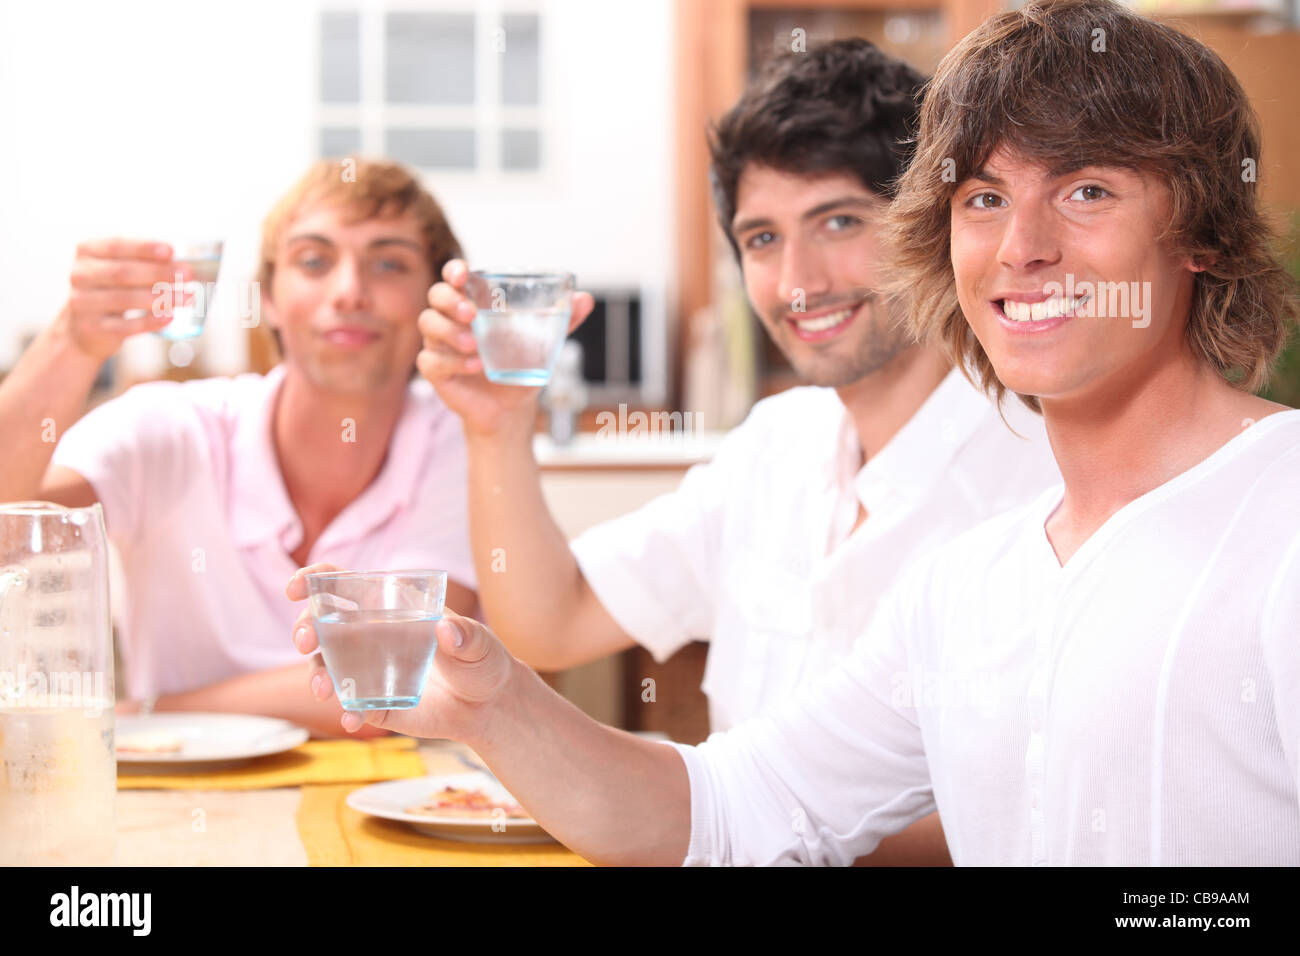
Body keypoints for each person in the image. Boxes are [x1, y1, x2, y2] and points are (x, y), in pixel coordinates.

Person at [289, 0, 1300, 865]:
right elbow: (732, 804)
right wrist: (491, 703)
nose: (1022, 247)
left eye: (1085, 190)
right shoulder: (969, 584)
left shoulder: (1278, 517)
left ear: (1204, 232)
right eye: (984, 199)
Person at [414, 38, 1059, 865]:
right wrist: (496, 427)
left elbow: (1039, 823)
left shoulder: (1040, 476)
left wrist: (740, 821)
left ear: (930, 226)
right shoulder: (776, 446)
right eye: (761, 239)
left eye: (838, 222)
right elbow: (549, 621)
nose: (798, 280)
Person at [0, 159, 477, 737]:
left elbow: (405, 674)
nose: (350, 292)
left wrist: (152, 714)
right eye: (314, 261)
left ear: (435, 301)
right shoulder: (170, 429)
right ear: (269, 299)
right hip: (182, 806)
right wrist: (73, 342)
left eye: (387, 263)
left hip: (386, 801)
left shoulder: (458, 439)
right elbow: (10, 524)